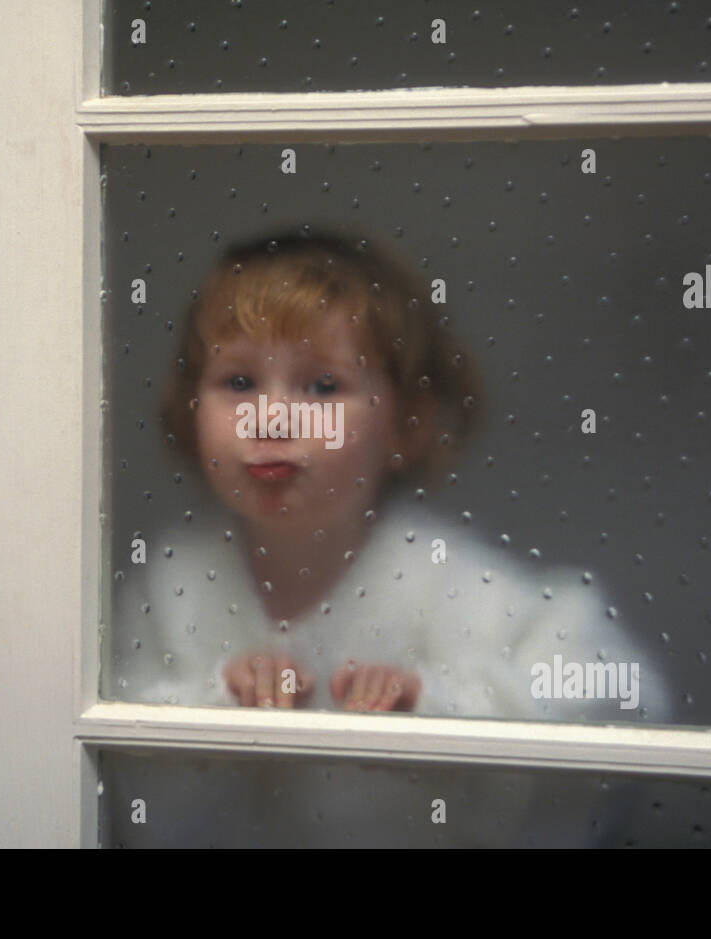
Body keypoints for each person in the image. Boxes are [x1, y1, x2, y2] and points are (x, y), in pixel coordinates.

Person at [107, 226, 672, 844]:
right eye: (238, 382)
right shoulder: (172, 582)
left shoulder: (444, 577)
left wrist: (435, 706)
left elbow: (627, 695)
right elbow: (113, 766)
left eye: (322, 386)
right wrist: (216, 704)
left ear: (406, 426)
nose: (270, 417)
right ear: (189, 412)